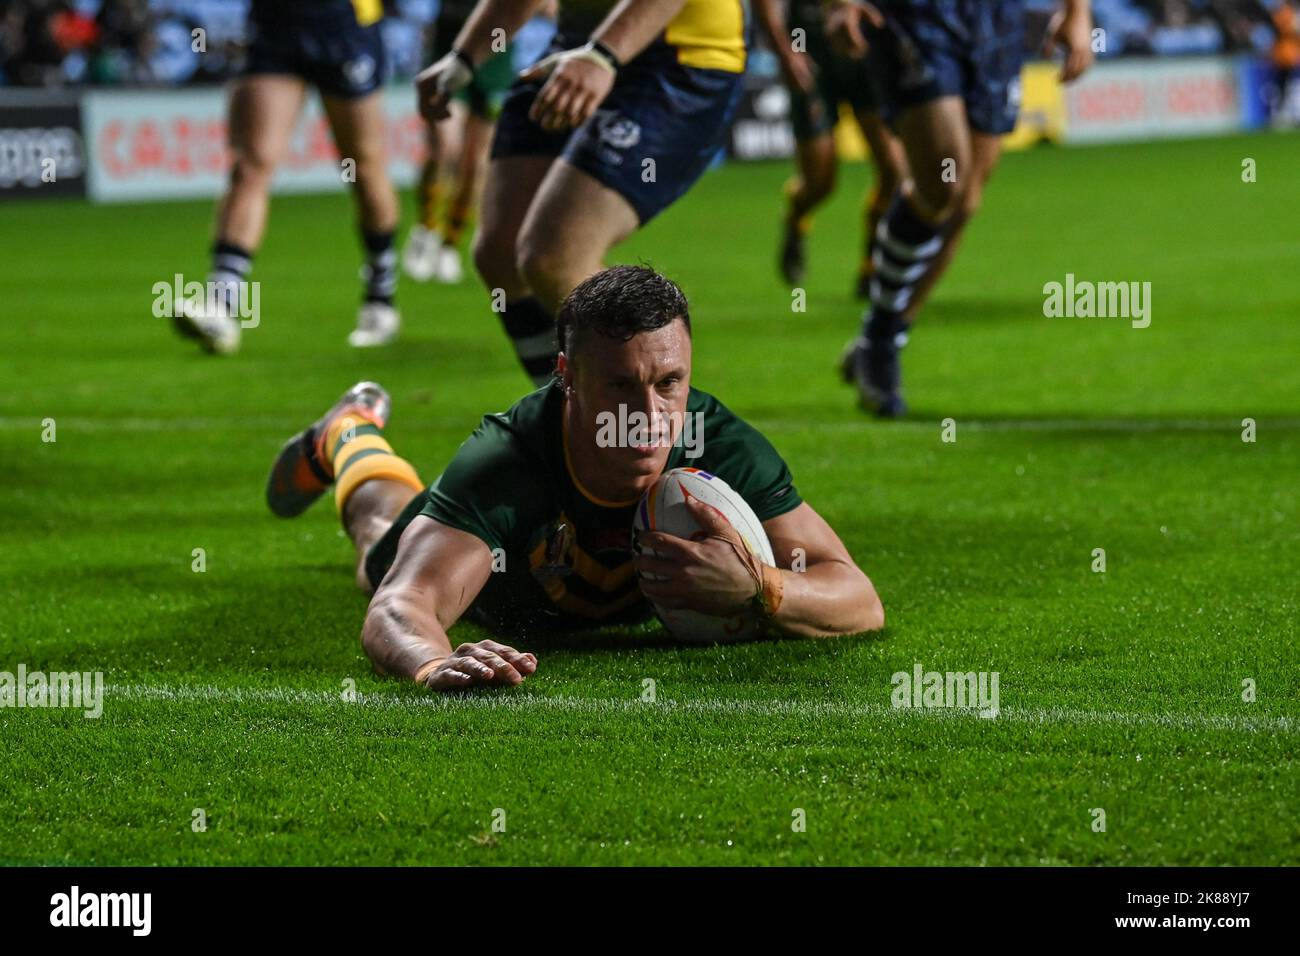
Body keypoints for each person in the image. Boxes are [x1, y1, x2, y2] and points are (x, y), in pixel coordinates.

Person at [265, 266, 884, 690]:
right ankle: (348, 434)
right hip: (501, 601)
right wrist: (435, 663)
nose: (648, 418)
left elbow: (859, 599)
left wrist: (763, 587)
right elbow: (398, 607)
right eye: (620, 386)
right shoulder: (510, 459)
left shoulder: (717, 443)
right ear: (566, 375)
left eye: (669, 384)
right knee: (378, 542)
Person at [416, 0, 749, 386]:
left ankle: (658, 427)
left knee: (554, 255)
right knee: (500, 251)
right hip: (579, 47)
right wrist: (464, 58)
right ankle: (566, 416)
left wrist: (603, 56)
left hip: (679, 56)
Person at [829, 0, 1094, 416]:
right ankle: (881, 338)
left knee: (964, 200)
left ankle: (882, 338)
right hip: (914, 16)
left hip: (996, 20)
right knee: (943, 181)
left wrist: (1078, 12)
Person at [172, 0, 402, 354]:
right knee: (250, 164)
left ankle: (380, 296)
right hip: (276, 26)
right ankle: (222, 305)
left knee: (362, 165)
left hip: (346, 25)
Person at [753, 0, 910, 295]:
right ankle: (797, 218)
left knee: (895, 169)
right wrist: (785, 53)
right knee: (820, 183)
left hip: (864, 52)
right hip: (811, 56)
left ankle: (872, 266)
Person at [402, 1, 557, 284]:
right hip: (452, 45)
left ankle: (451, 243)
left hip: (497, 56)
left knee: (476, 162)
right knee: (445, 146)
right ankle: (427, 229)